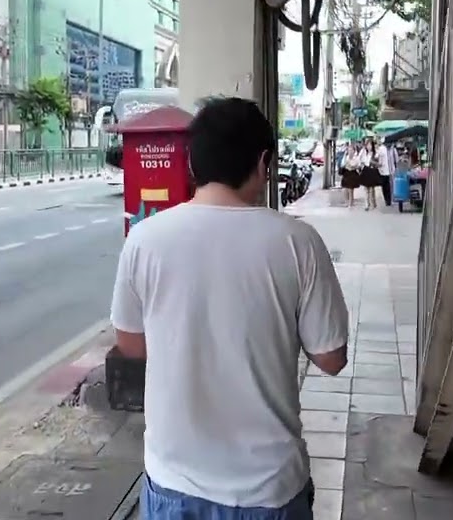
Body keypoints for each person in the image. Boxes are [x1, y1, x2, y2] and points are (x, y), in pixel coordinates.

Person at [110, 97, 350, 520]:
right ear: (264, 162)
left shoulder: (144, 239)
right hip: (270, 490)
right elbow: (330, 358)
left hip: (174, 487)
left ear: (192, 164)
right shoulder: (298, 242)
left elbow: (130, 344)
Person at [359, 138, 381, 211]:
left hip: (372, 171)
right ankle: (366, 204)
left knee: (371, 189)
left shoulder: (375, 153)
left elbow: (379, 164)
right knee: (366, 189)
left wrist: (373, 162)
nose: (369, 147)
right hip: (366, 170)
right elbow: (359, 159)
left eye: (370, 145)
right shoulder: (363, 152)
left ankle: (373, 203)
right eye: (367, 145)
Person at [339, 141, 362, 207]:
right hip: (346, 173)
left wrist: (349, 163)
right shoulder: (345, 157)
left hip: (353, 174)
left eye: (351, 150)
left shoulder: (356, 157)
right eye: (349, 150)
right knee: (345, 189)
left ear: (354, 151)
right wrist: (347, 163)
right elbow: (343, 164)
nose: (350, 151)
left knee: (351, 189)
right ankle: (347, 202)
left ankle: (350, 203)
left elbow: (356, 165)